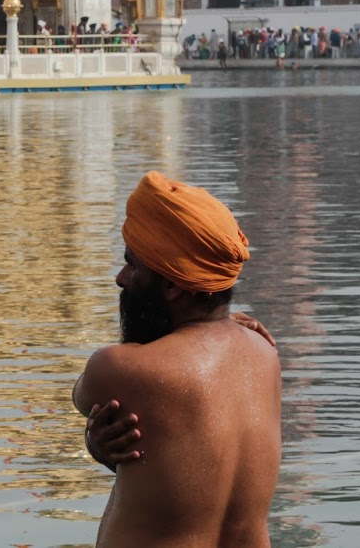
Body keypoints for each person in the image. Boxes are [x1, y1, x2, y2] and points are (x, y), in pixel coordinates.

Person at [74, 171, 280, 547]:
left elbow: (81, 395)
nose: (121, 278)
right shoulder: (265, 355)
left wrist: (94, 442)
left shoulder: (119, 368)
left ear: (172, 284)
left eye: (133, 265)